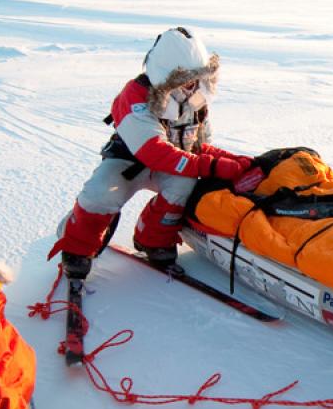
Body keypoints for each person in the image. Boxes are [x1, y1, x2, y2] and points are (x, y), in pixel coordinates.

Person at [49, 27, 260, 278]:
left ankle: (153, 239)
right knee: (100, 195)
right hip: (127, 163)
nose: (192, 85)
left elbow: (197, 146)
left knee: (184, 184)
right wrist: (213, 166)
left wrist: (235, 161)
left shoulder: (195, 101)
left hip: (172, 164)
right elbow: (154, 151)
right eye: (186, 78)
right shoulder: (135, 96)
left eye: (196, 78)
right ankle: (76, 249)